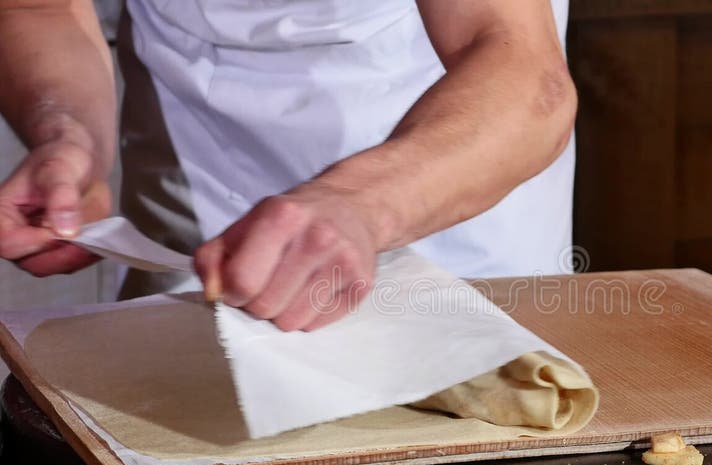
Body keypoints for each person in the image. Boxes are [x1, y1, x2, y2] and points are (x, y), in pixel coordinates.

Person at [0, 0, 577, 331]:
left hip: (442, 203)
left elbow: (530, 83)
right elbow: (39, 8)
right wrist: (68, 132)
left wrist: (357, 204)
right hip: (186, 205)